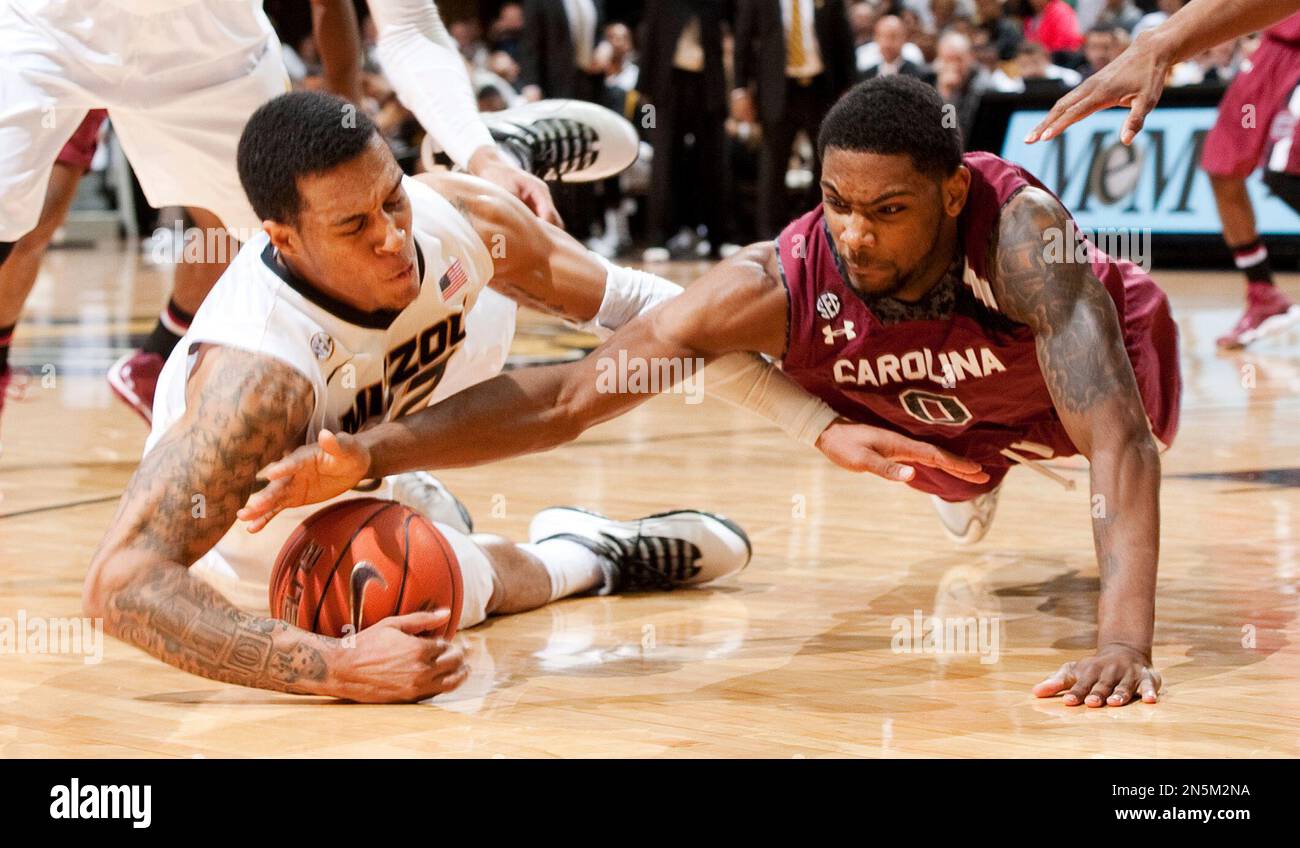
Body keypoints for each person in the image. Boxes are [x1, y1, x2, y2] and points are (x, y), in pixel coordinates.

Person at [247, 77, 1182, 709]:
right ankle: (967, 479)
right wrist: (374, 453)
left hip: (1085, 382)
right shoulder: (776, 282)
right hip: (925, 406)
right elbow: (570, 397)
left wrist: (1125, 646)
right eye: (836, 203)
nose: (853, 236)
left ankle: (982, 470)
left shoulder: (1020, 237)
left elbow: (1121, 445)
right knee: (907, 433)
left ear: (949, 195)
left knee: (1109, 428)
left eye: (886, 210)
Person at [84, 90, 969, 702]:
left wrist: (814, 423)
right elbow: (122, 583)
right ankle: (589, 556)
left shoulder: (438, 219)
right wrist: (337, 667)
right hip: (279, 515)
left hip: (436, 369)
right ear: (280, 238)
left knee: (487, 246)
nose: (394, 239)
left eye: (390, 197)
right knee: (398, 594)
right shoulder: (253, 386)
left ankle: (501, 164)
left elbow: (653, 312)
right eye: (354, 226)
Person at [0, 0, 567, 432]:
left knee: (315, 252)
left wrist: (480, 151)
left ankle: (339, 452)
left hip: (215, 51)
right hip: (49, 24)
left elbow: (408, 24)